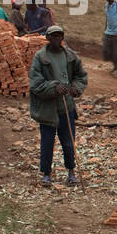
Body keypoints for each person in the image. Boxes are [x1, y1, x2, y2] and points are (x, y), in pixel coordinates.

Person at [28, 24, 87, 188]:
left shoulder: (70, 56)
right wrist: (53, 87)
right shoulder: (40, 57)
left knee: (69, 142)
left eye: (59, 36)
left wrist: (76, 88)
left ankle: (71, 172)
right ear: (47, 38)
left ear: (63, 37)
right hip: (48, 109)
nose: (57, 39)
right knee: (47, 142)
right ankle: (46, 174)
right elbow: (36, 84)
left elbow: (80, 76)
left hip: (66, 107)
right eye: (53, 36)